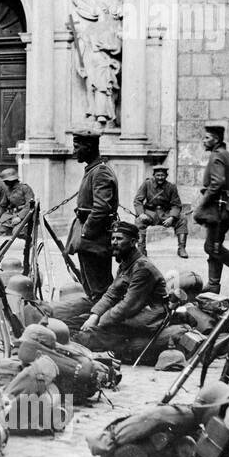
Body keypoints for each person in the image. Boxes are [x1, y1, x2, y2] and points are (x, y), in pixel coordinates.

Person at [73, 223, 170, 363]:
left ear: (132, 242)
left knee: (84, 337)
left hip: (146, 319)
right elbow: (111, 294)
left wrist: (100, 322)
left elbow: (128, 305)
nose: (114, 243)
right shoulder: (127, 264)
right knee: (76, 322)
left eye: (119, 239)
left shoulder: (142, 268)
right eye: (112, 238)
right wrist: (94, 316)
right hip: (129, 316)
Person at [193, 121, 229, 293]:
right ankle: (213, 285)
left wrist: (202, 204)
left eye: (207, 138)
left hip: (217, 209)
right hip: (225, 207)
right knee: (214, 245)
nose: (203, 141)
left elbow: (217, 182)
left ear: (216, 139)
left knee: (211, 247)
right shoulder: (227, 155)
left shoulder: (217, 156)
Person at [65, 129, 117, 302]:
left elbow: (101, 208)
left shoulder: (100, 172)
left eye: (76, 147)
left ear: (88, 147)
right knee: (92, 286)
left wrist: (85, 233)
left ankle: (104, 325)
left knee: (99, 289)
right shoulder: (93, 170)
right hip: (91, 240)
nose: (73, 152)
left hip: (95, 240)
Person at [134, 165, 188, 259]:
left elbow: (176, 204)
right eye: (158, 175)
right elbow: (138, 200)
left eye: (162, 175)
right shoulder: (147, 184)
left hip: (165, 213)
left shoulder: (171, 187)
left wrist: (172, 217)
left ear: (166, 175)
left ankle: (181, 248)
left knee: (182, 219)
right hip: (150, 213)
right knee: (139, 221)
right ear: (153, 175)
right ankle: (141, 249)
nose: (160, 177)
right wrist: (141, 214)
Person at [0, 167, 36, 242]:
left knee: (17, 231)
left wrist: (19, 217)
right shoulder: (7, 190)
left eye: (6, 181)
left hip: (26, 216)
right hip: (11, 216)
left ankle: (31, 241)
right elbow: (2, 205)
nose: (5, 183)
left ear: (13, 180)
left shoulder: (25, 188)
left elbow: (29, 205)